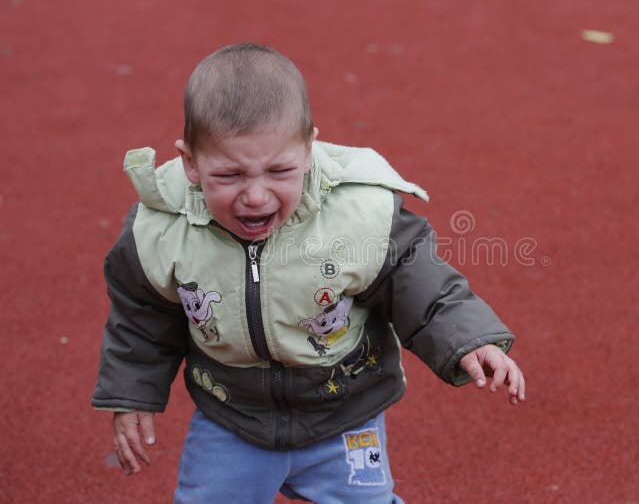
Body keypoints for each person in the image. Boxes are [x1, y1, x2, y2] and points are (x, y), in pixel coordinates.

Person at [91, 43, 525, 503]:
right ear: (191, 163)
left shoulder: (356, 216)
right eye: (230, 176)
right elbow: (141, 319)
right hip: (233, 419)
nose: (256, 196)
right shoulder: (162, 232)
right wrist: (131, 395)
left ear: (309, 150)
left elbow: (416, 280)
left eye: (280, 170)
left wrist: (468, 338)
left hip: (344, 413)